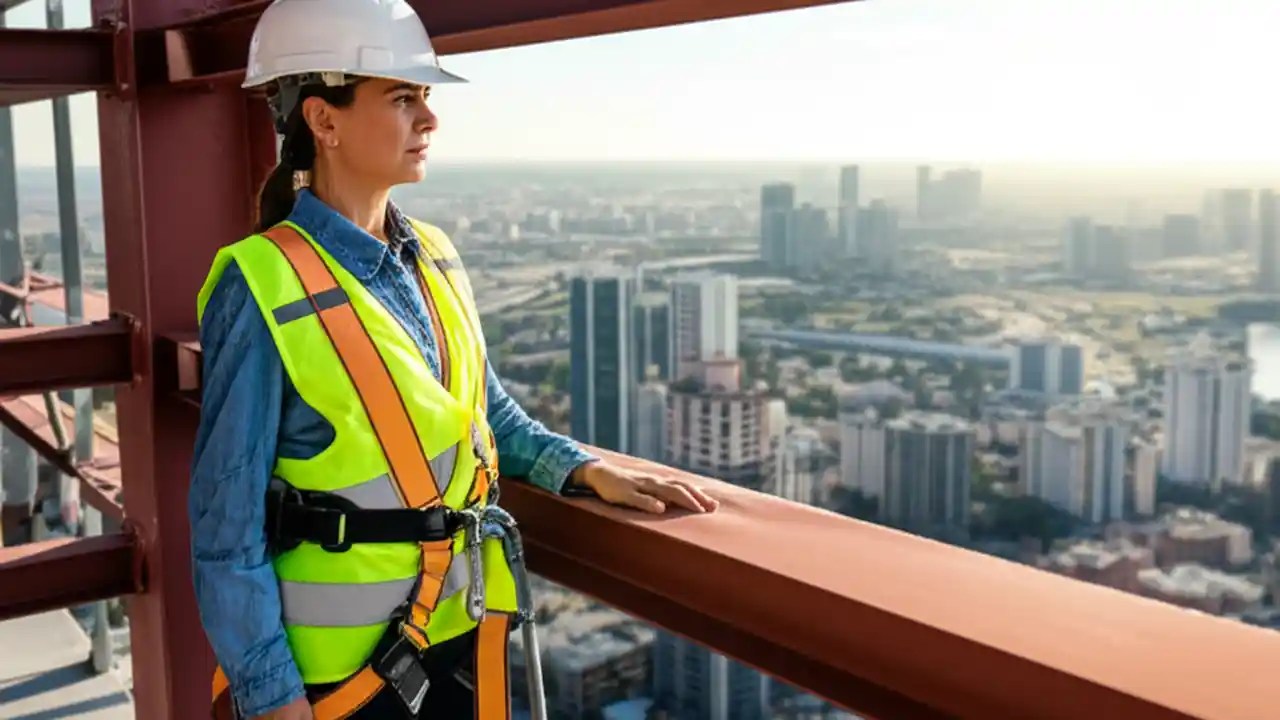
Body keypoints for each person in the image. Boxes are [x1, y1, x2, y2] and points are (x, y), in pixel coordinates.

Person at [189, 1, 718, 718]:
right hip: (333, 686)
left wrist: (584, 469)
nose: (429, 121)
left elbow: (481, 414)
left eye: (426, 99)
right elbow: (225, 531)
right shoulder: (259, 284)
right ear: (323, 120)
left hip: (456, 642)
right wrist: (272, 700)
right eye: (403, 98)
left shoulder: (433, 255)